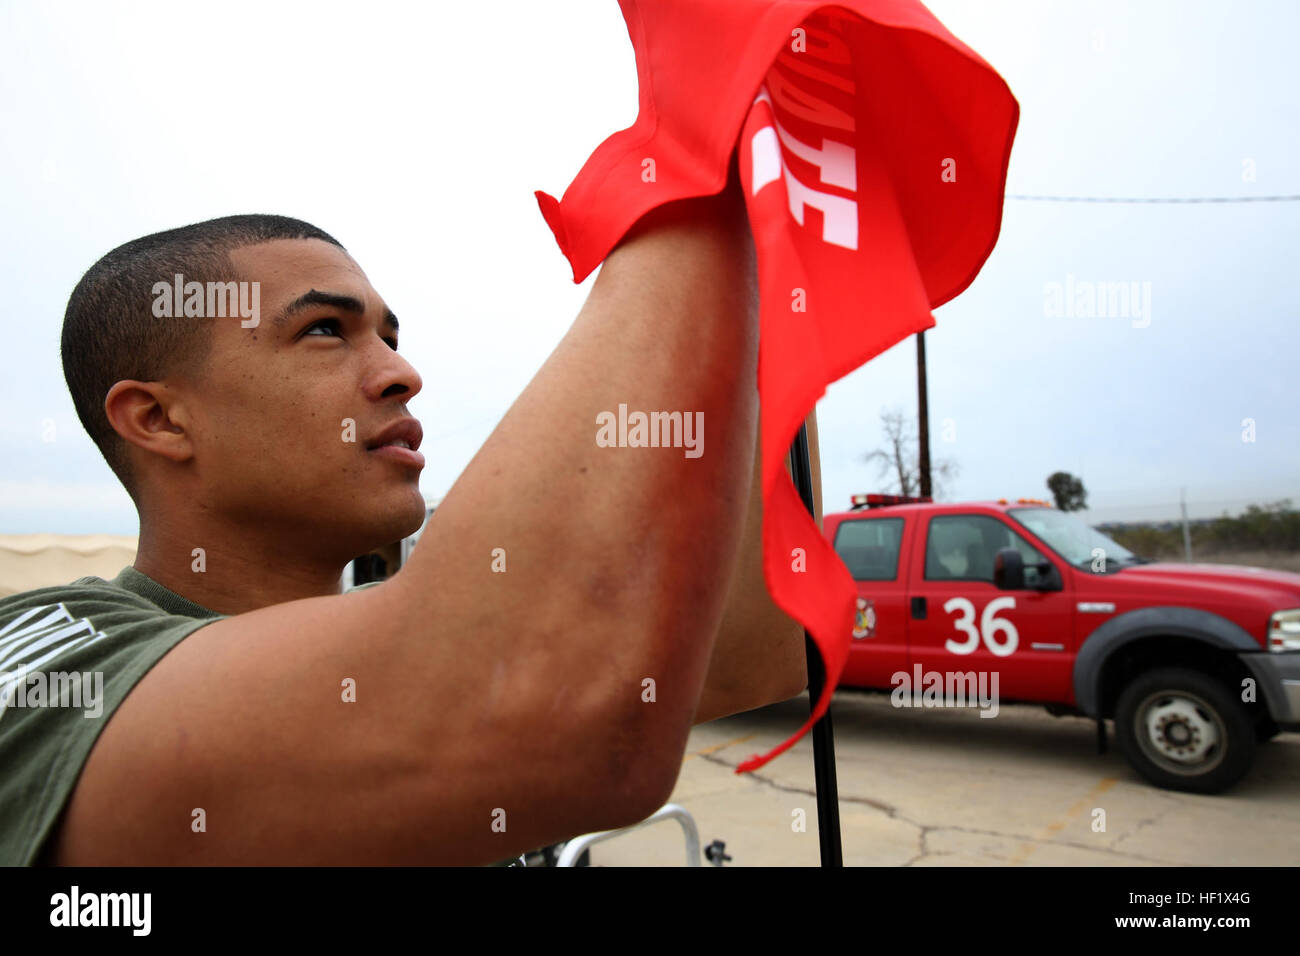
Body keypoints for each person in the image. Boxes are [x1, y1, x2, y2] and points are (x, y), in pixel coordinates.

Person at [0, 156, 817, 865]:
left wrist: (761, 265)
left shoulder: (391, 633)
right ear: (160, 419)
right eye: (326, 330)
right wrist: (691, 180)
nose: (401, 373)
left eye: (390, 336)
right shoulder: (54, 659)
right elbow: (548, 704)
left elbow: (750, 657)